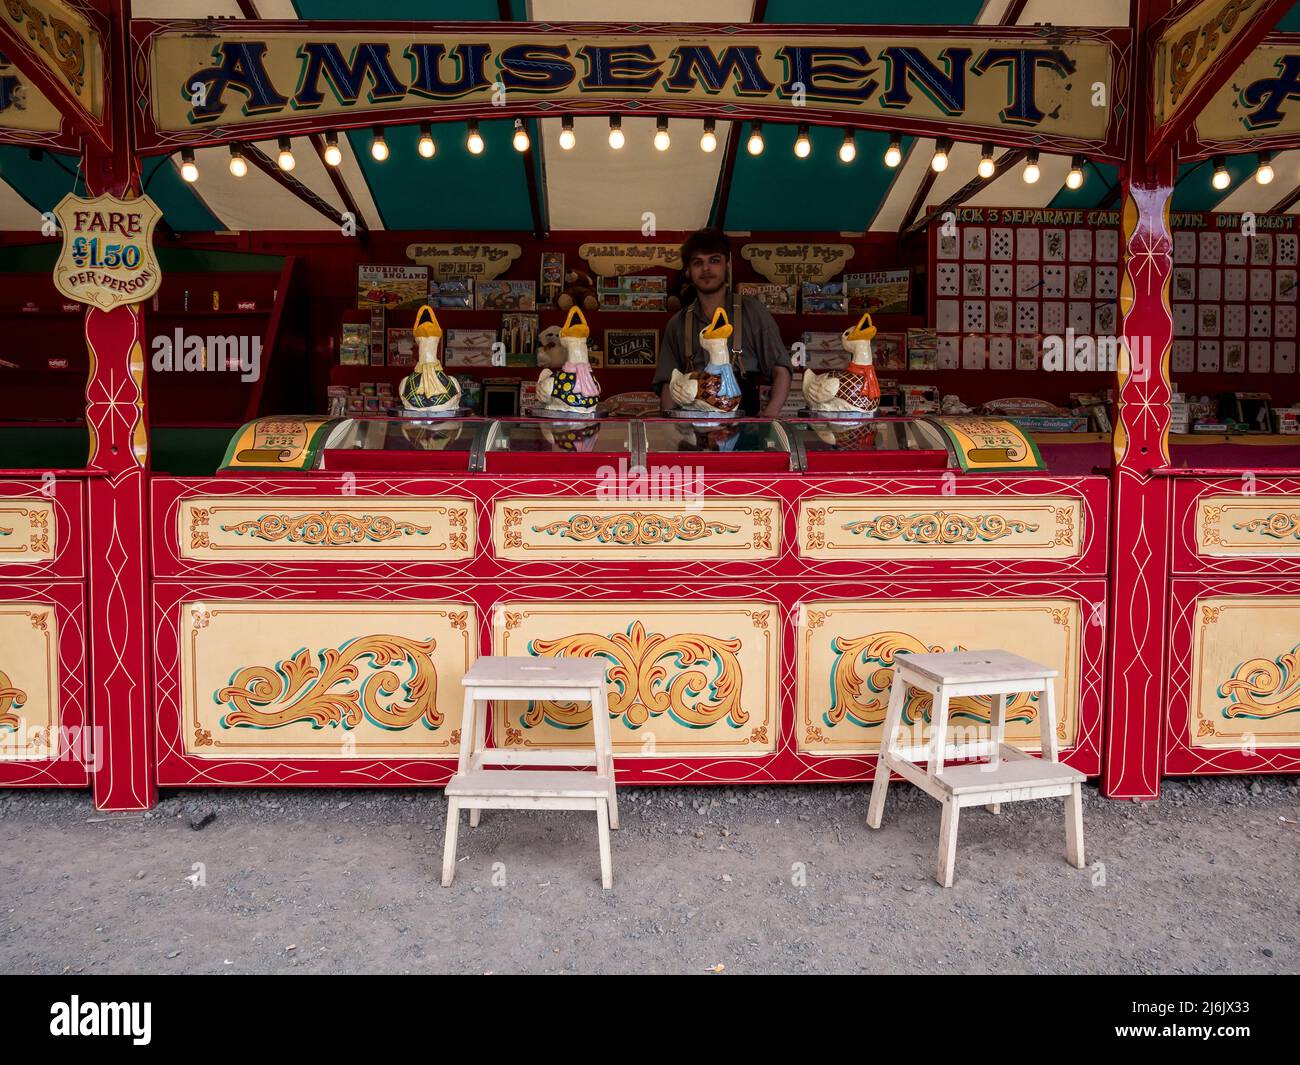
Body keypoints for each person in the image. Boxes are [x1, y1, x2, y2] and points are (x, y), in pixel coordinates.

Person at [653, 227, 793, 417]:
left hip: (745, 423)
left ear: (727, 265)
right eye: (697, 263)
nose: (706, 269)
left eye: (714, 260)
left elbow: (781, 369)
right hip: (691, 428)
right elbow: (668, 384)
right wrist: (670, 428)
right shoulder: (677, 323)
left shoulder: (753, 312)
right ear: (688, 271)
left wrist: (770, 414)